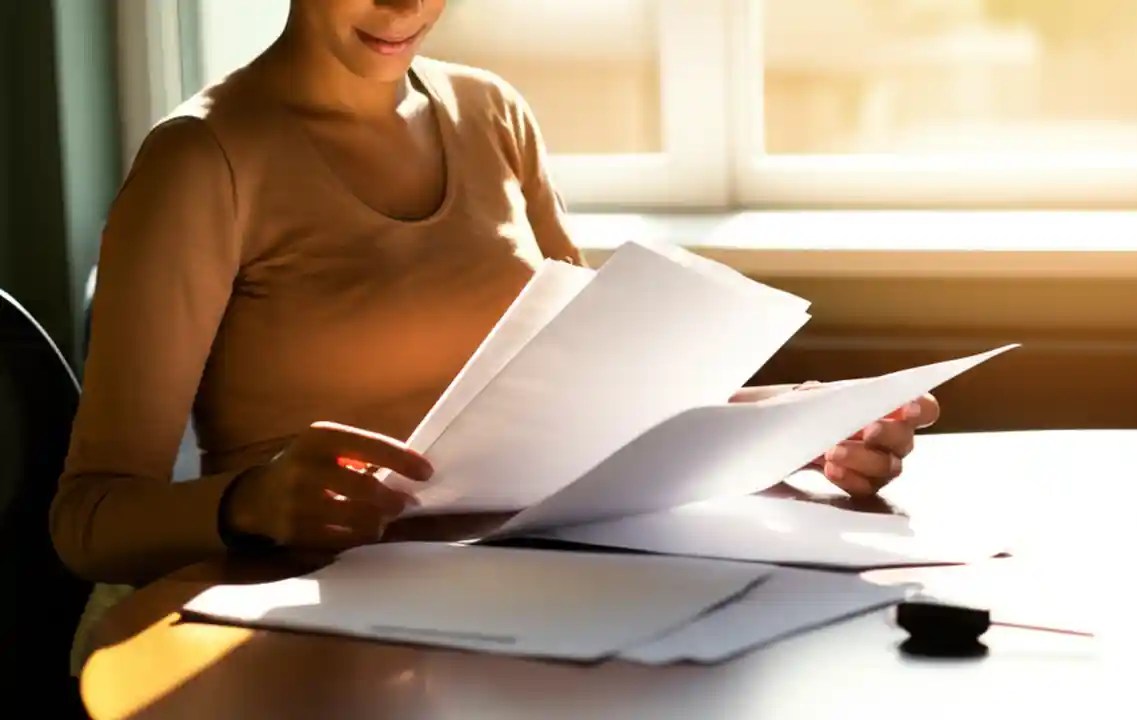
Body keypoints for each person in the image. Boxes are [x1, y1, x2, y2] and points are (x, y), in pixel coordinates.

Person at [51, 0, 940, 673]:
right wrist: (249, 503)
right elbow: (88, 522)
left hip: (521, 610)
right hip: (307, 635)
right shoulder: (202, 160)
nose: (405, 7)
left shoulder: (493, 114)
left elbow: (599, 406)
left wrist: (797, 426)